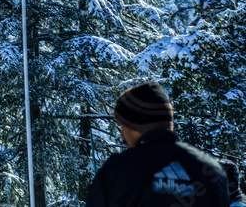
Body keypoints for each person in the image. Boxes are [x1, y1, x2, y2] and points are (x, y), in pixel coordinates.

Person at [86, 81, 229, 207]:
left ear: (136, 125)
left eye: (123, 126)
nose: (121, 135)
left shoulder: (119, 169)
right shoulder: (212, 170)